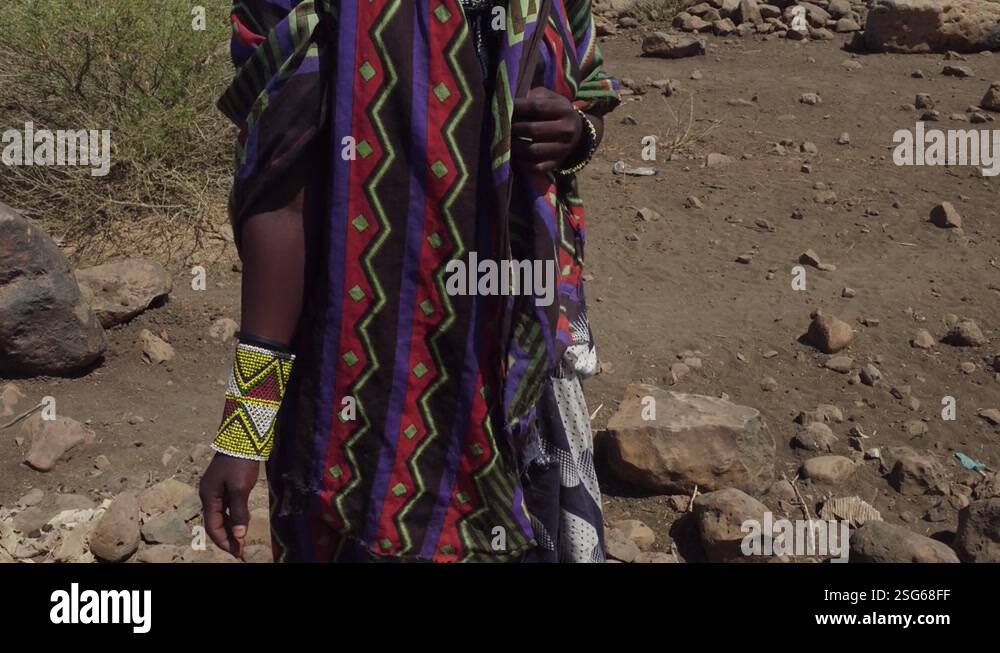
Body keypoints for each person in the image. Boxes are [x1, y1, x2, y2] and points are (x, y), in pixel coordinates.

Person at [199, 0, 620, 562]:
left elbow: (586, 98)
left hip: (516, 364)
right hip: (360, 380)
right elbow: (280, 203)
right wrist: (246, 428)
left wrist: (577, 135)